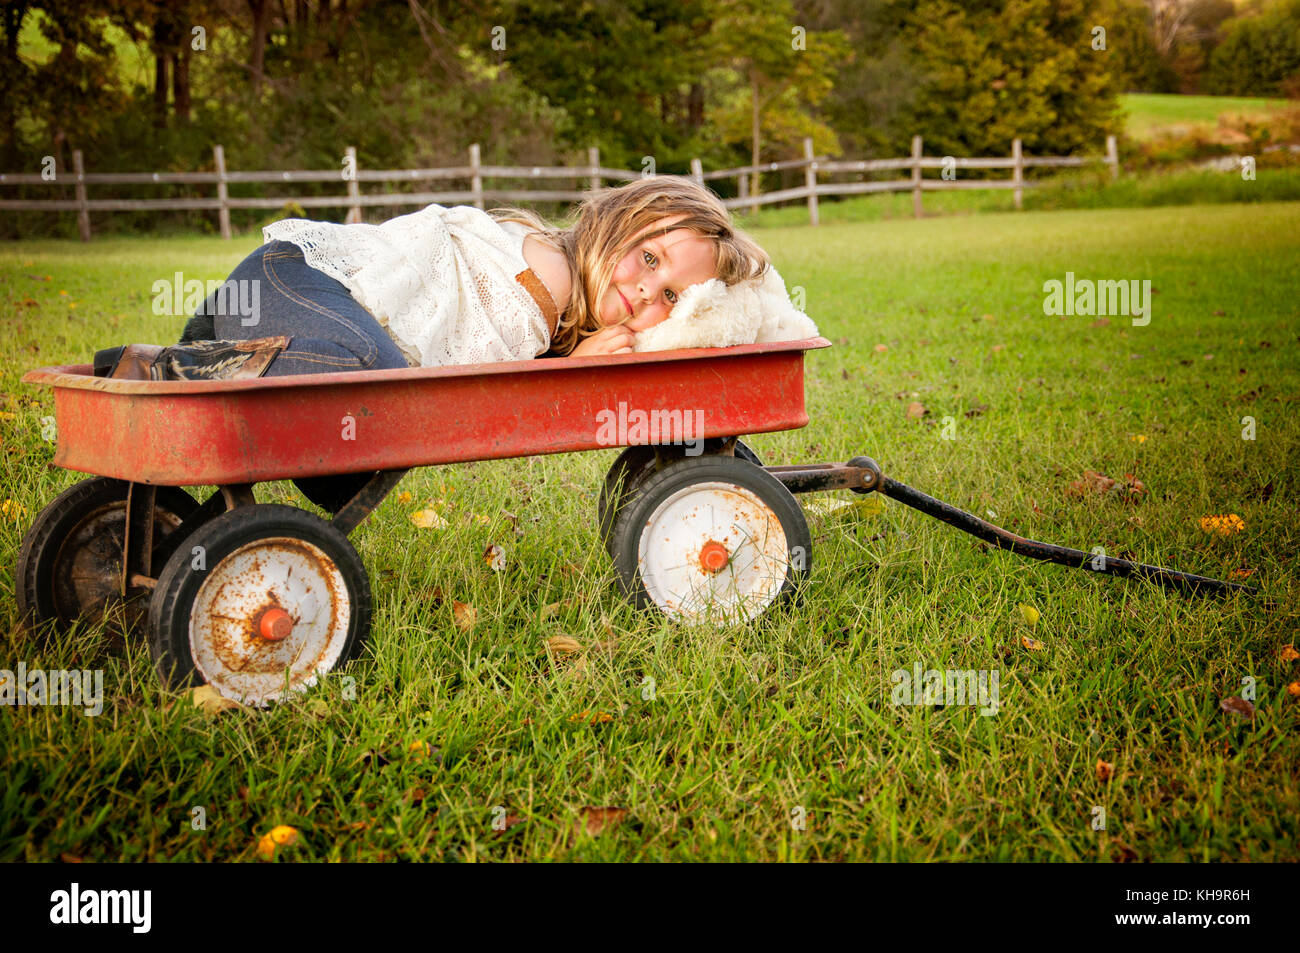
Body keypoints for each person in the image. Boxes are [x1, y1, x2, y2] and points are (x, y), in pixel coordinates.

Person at [102, 176, 773, 510]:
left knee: (356, 448)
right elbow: (465, 391)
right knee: (382, 399)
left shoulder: (557, 299)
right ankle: (178, 369)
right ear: (616, 225)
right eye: (649, 260)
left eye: (670, 301)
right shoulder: (549, 277)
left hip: (283, 294)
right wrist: (574, 368)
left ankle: (196, 363)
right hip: (300, 285)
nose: (643, 295)